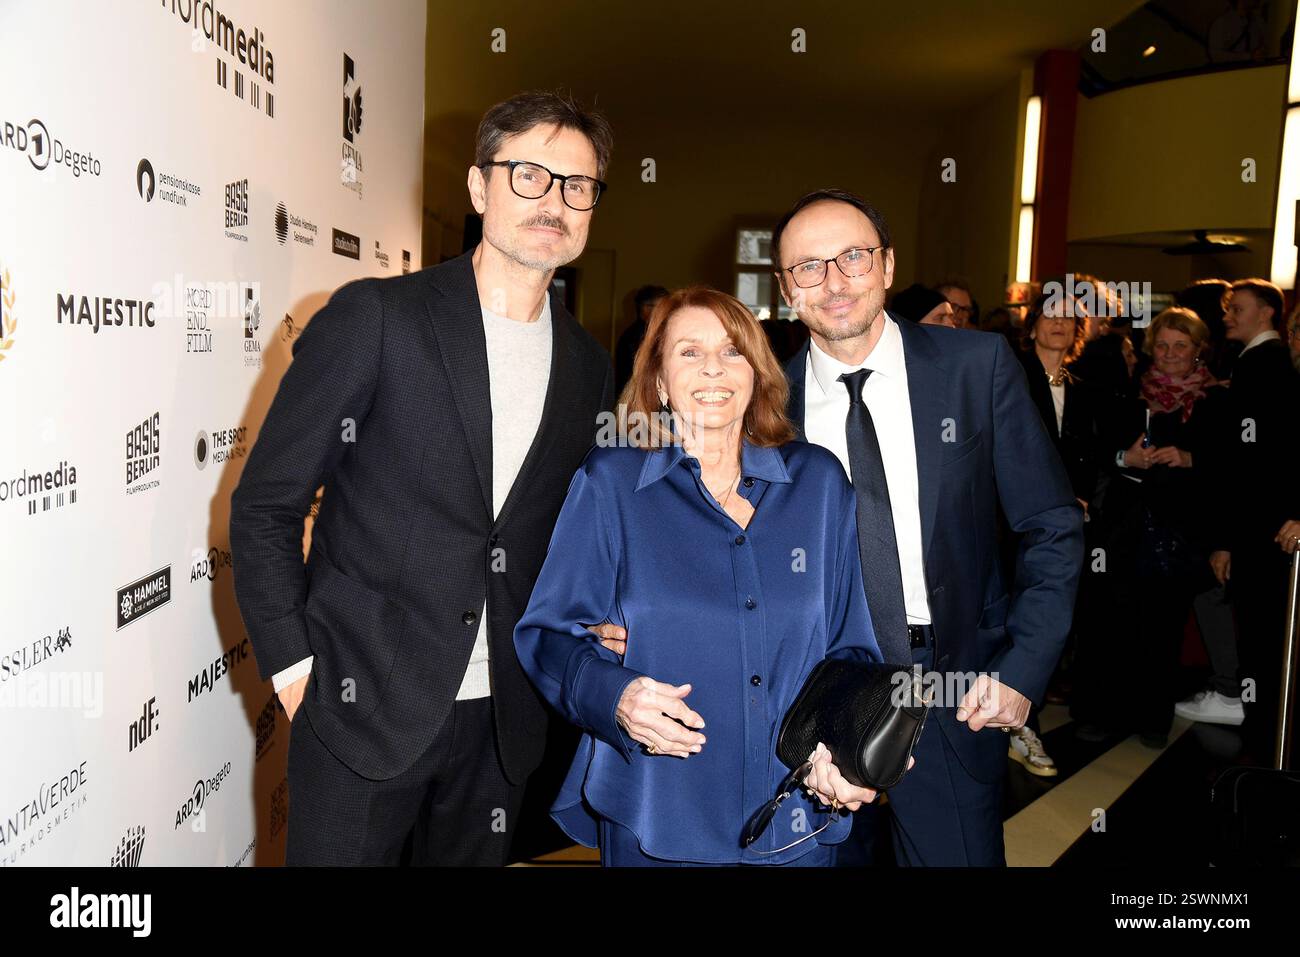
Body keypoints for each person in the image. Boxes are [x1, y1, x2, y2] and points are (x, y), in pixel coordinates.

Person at [228, 90, 616, 865]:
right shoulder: (378, 317)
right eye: (530, 176)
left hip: (503, 728)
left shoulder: (586, 365)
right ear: (479, 188)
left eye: (578, 186)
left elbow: (568, 529)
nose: (555, 202)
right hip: (358, 709)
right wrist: (297, 671)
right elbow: (265, 505)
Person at [514, 286, 884, 866]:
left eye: (733, 351)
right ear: (659, 381)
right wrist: (616, 696)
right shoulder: (612, 481)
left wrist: (840, 746)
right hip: (657, 805)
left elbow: (852, 646)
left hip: (794, 806)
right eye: (689, 352)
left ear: (757, 374)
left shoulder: (818, 484)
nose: (713, 366)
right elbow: (548, 633)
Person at [776, 189, 1082, 865]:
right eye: (809, 266)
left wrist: (1023, 667)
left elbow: (1052, 523)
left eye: (853, 257)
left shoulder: (978, 369)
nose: (834, 282)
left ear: (886, 265)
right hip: (812, 696)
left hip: (954, 690)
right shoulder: (765, 405)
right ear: (785, 288)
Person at [1078, 309, 1228, 746]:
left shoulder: (1215, 400)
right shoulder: (1128, 393)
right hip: (1123, 529)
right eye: (1162, 345)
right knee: (1111, 623)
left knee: (1162, 629)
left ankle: (1151, 720)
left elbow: (1232, 469)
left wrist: (1190, 458)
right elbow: (1099, 451)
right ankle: (1103, 715)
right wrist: (1128, 459)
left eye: (1181, 345)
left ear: (1198, 350)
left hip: (1179, 531)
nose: (1169, 354)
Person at [1207, 278, 1300, 761]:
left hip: (1262, 531)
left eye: (1236, 307)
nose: (1227, 315)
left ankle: (1264, 742)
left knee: (1262, 640)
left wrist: (1227, 539)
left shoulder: (1265, 365)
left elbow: (1251, 464)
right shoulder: (1258, 365)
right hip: (1264, 527)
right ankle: (1264, 735)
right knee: (1263, 640)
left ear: (1267, 313)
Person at [614, 284, 668, 393]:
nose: (661, 312)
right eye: (653, 306)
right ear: (643, 308)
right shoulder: (634, 337)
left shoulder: (662, 332)